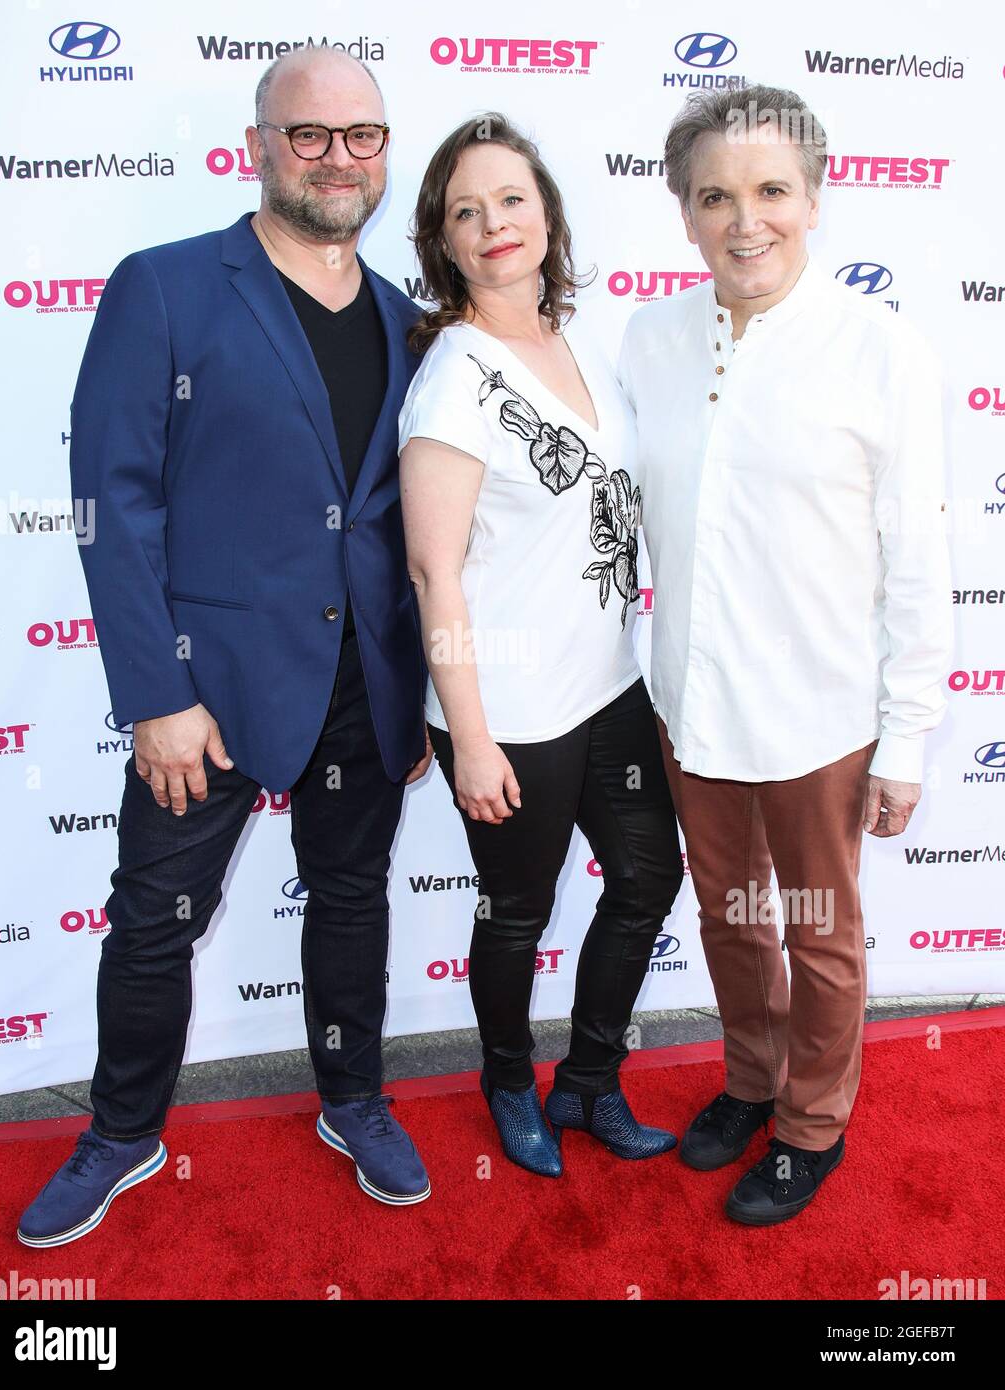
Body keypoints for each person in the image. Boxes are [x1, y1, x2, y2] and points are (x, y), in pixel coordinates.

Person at [18, 47, 434, 1248]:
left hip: (364, 680)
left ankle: (352, 1097)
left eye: (361, 136)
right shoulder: (164, 287)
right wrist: (155, 692)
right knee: (155, 918)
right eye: (309, 136)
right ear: (257, 145)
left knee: (349, 897)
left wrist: (421, 689)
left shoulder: (413, 318)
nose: (337, 158)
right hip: (206, 687)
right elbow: (113, 499)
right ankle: (121, 1128)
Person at [618, 83, 953, 1224]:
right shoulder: (650, 338)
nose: (742, 219)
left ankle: (811, 1123)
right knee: (727, 920)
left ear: (813, 198)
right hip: (691, 707)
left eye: (768, 190)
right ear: (683, 213)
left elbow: (914, 556)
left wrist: (904, 734)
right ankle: (749, 1082)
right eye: (714, 195)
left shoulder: (879, 350)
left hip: (817, 720)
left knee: (817, 932)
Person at [398, 113, 685, 1178]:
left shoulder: (578, 342)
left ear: (547, 215)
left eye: (510, 199)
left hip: (605, 683)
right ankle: (508, 1080)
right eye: (465, 211)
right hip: (507, 705)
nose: (493, 223)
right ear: (444, 243)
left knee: (647, 875)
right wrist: (468, 741)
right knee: (515, 912)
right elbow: (433, 572)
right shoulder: (453, 380)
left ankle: (590, 1082)